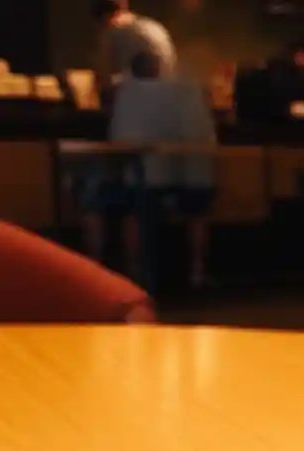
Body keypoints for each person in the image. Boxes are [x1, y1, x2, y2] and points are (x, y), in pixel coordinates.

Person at [107, 52, 217, 288]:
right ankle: (197, 270)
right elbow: (199, 132)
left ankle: (133, 270)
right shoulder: (183, 91)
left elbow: (118, 137)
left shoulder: (125, 95)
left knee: (133, 213)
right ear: (158, 68)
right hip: (187, 170)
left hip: (141, 174)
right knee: (198, 213)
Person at [90, 0, 176, 106]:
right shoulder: (153, 26)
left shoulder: (112, 30)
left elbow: (104, 75)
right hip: (166, 94)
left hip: (140, 97)